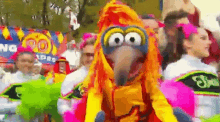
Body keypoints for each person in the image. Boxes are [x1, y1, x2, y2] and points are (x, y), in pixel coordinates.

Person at [163, 23, 219, 121]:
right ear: (187, 43)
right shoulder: (174, 69)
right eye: (203, 38)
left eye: (208, 38)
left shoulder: (211, 70)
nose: (209, 42)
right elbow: (171, 106)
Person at [0, 46, 44, 122]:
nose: (27, 64)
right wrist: (20, 106)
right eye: (23, 61)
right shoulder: (8, 79)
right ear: (17, 63)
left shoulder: (38, 81)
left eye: (30, 61)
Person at [57, 33, 96, 117]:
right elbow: (62, 104)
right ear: (82, 55)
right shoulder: (71, 78)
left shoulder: (107, 78)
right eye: (87, 55)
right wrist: (71, 116)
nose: (91, 59)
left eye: (94, 55)